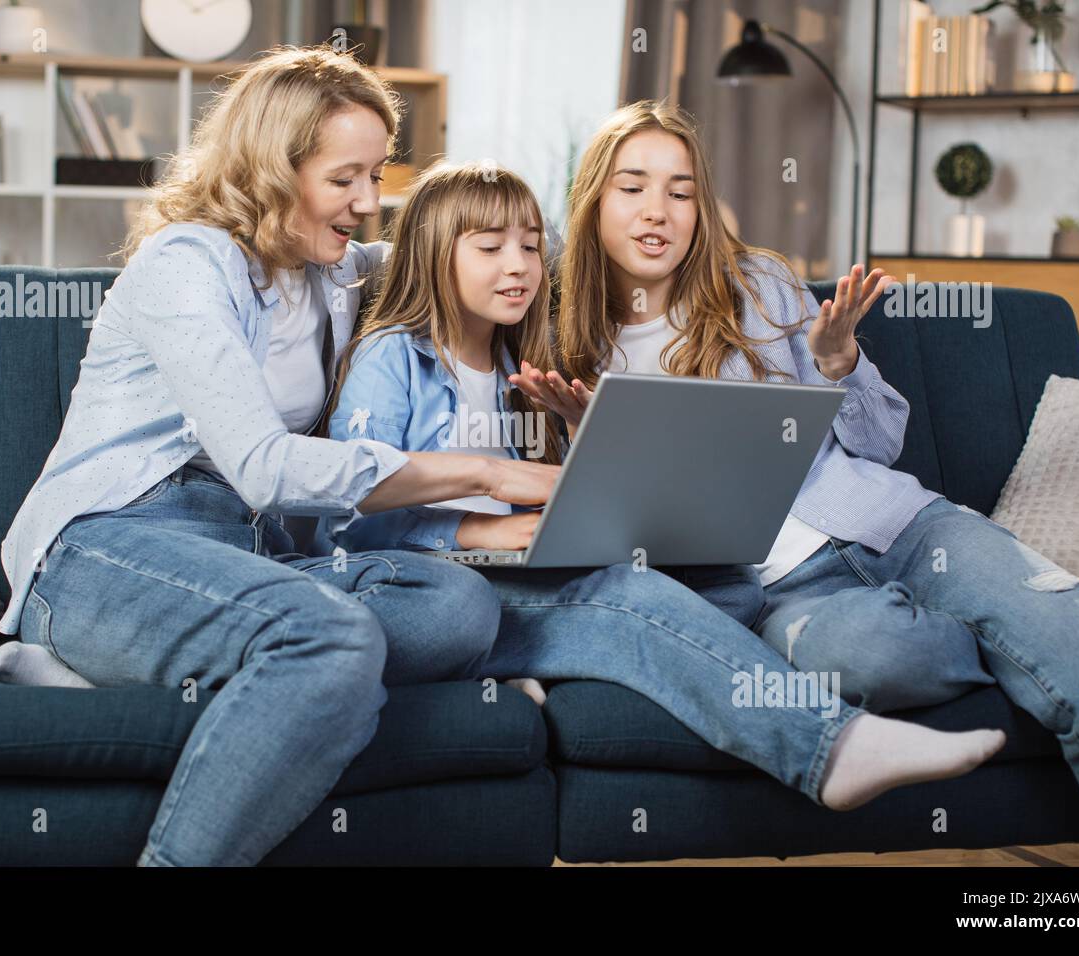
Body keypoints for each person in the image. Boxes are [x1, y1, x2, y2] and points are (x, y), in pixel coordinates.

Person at [515, 99, 1079, 865]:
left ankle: (1069, 629)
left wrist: (840, 361)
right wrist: (590, 442)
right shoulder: (554, 335)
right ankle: (1049, 621)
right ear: (593, 201)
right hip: (775, 595)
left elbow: (880, 445)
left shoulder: (760, 284)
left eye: (680, 192)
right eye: (633, 187)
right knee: (884, 662)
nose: (658, 212)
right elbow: (599, 545)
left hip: (898, 529)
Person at [0, 47, 558, 867]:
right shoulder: (186, 266)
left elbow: (464, 253)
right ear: (270, 169)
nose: (370, 204)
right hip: (110, 546)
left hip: (245, 556)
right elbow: (263, 467)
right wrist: (488, 471)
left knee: (457, 607)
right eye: (346, 179)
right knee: (331, 639)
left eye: (377, 175)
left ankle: (148, 670)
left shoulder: (328, 270)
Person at [328, 160, 1009, 816]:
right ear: (428, 255)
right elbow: (348, 515)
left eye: (532, 247)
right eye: (489, 248)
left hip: (513, 570)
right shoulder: (394, 356)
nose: (519, 266)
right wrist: (475, 532)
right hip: (427, 577)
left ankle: (539, 655)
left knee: (730, 585)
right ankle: (830, 747)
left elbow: (539, 500)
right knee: (627, 596)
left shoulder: (519, 363)